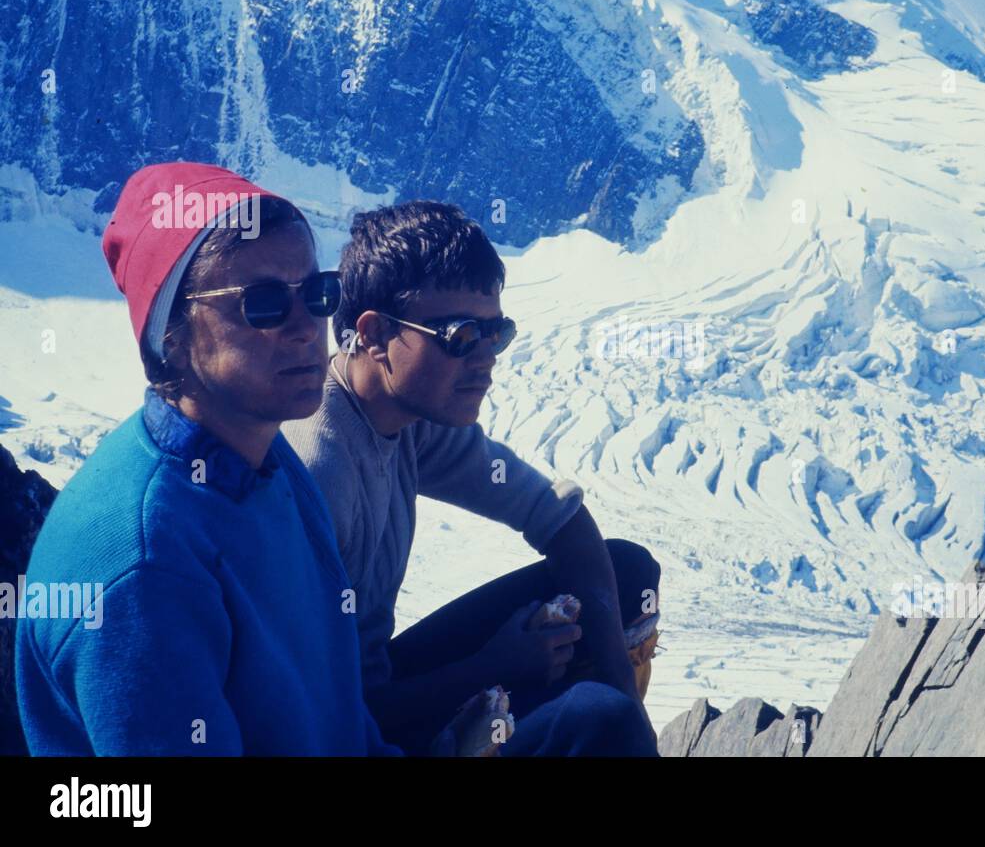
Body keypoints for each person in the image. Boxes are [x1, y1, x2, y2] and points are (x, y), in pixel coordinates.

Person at [16, 162, 399, 756]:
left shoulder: (268, 458)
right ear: (172, 335)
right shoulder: (143, 562)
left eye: (319, 294)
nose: (306, 327)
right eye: (263, 304)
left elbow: (339, 714)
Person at [281, 201, 661, 756]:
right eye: (459, 336)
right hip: (342, 730)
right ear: (375, 333)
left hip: (376, 689)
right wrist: (492, 668)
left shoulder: (409, 414)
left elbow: (563, 523)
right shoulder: (319, 471)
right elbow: (309, 721)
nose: (485, 359)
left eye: (495, 333)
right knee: (597, 720)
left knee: (626, 574)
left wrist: (625, 695)